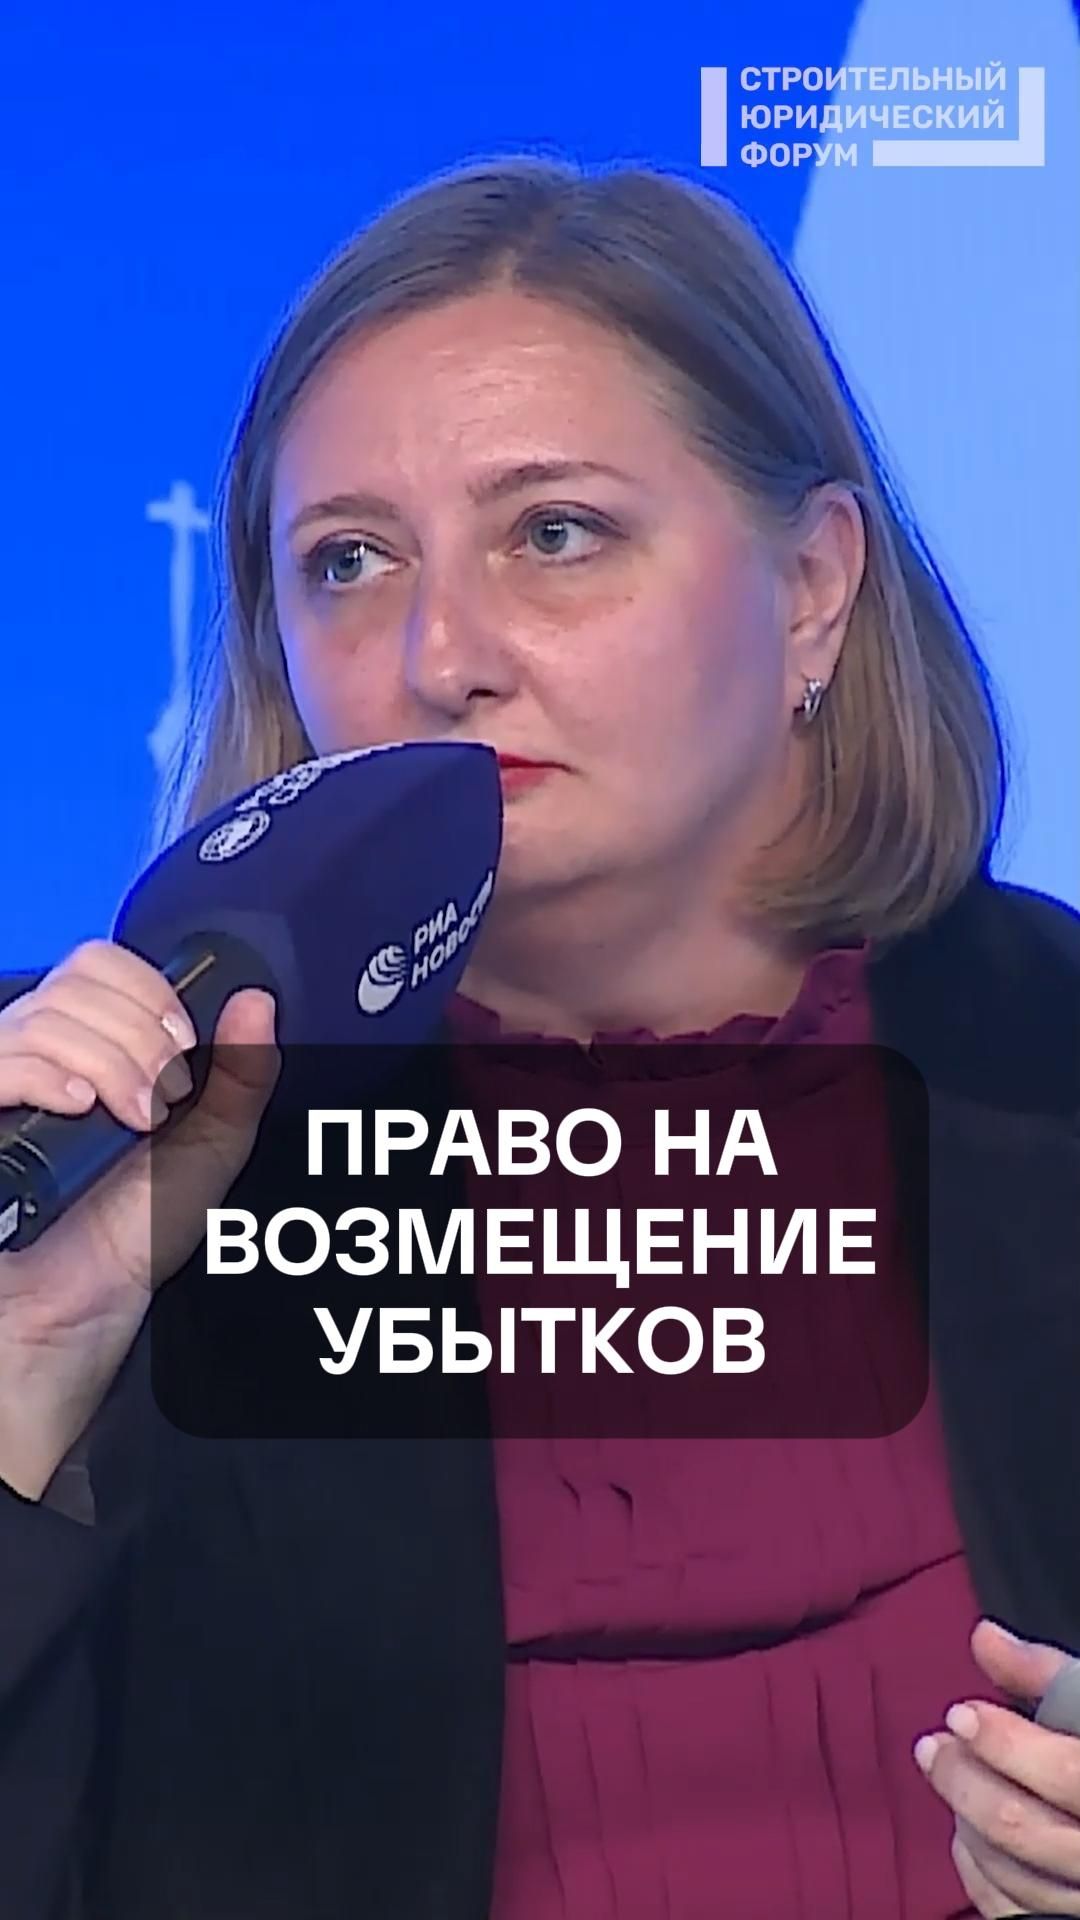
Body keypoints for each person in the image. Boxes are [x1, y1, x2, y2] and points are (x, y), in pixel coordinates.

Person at [1, 153, 1078, 1920]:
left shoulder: (1052, 1068)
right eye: (349, 562)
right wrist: (27, 1375)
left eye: (554, 533)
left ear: (813, 585)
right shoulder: (96, 1144)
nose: (442, 654)